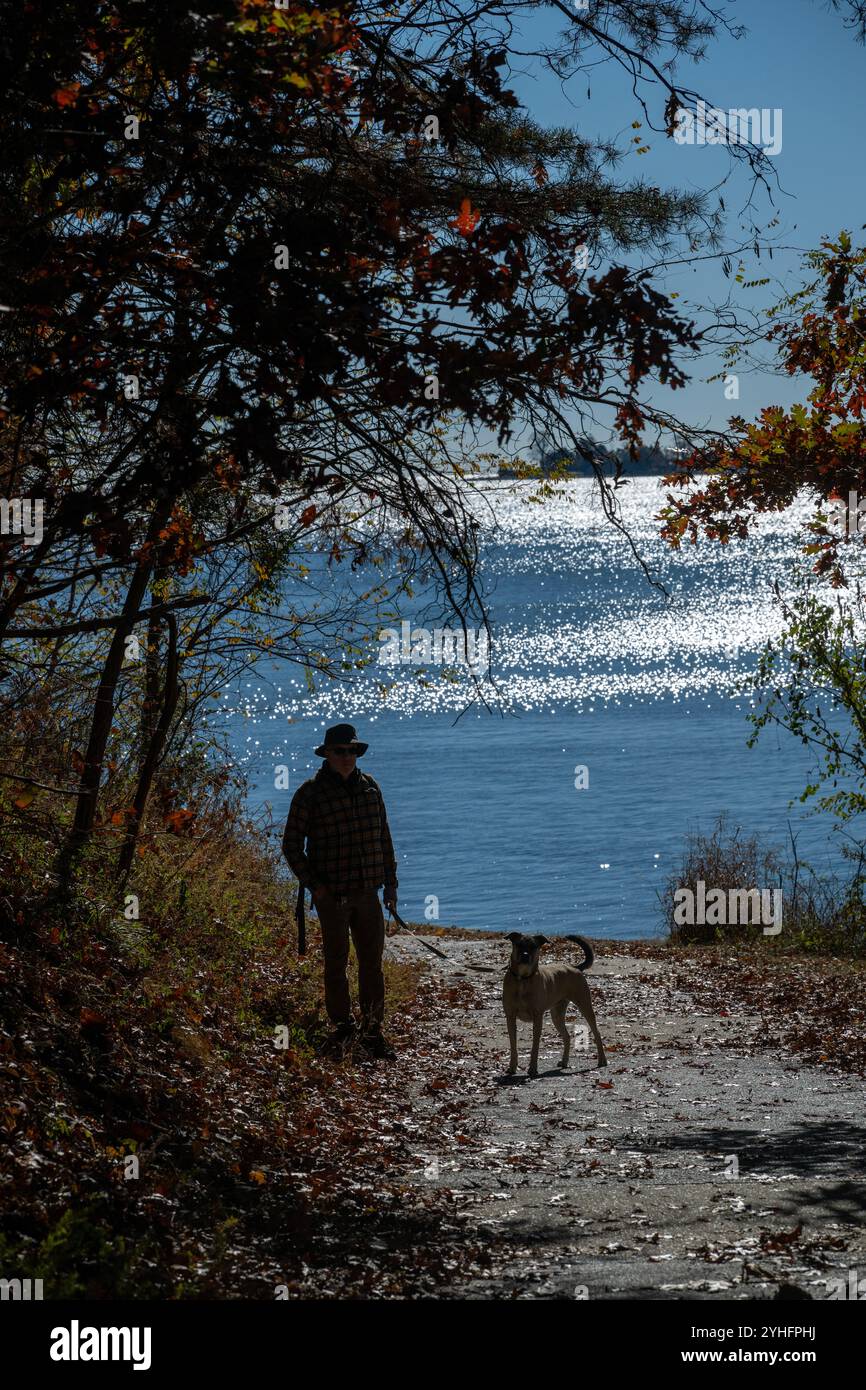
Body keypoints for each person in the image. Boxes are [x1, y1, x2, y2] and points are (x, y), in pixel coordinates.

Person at [282, 723, 399, 1059]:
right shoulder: (310, 793)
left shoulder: (371, 788)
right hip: (331, 895)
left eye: (351, 751)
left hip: (368, 893)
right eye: (340, 751)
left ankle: (373, 1030)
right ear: (327, 755)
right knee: (335, 963)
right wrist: (315, 887)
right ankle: (342, 1027)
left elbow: (384, 839)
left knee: (371, 964)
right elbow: (291, 845)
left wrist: (390, 885)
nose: (346, 757)